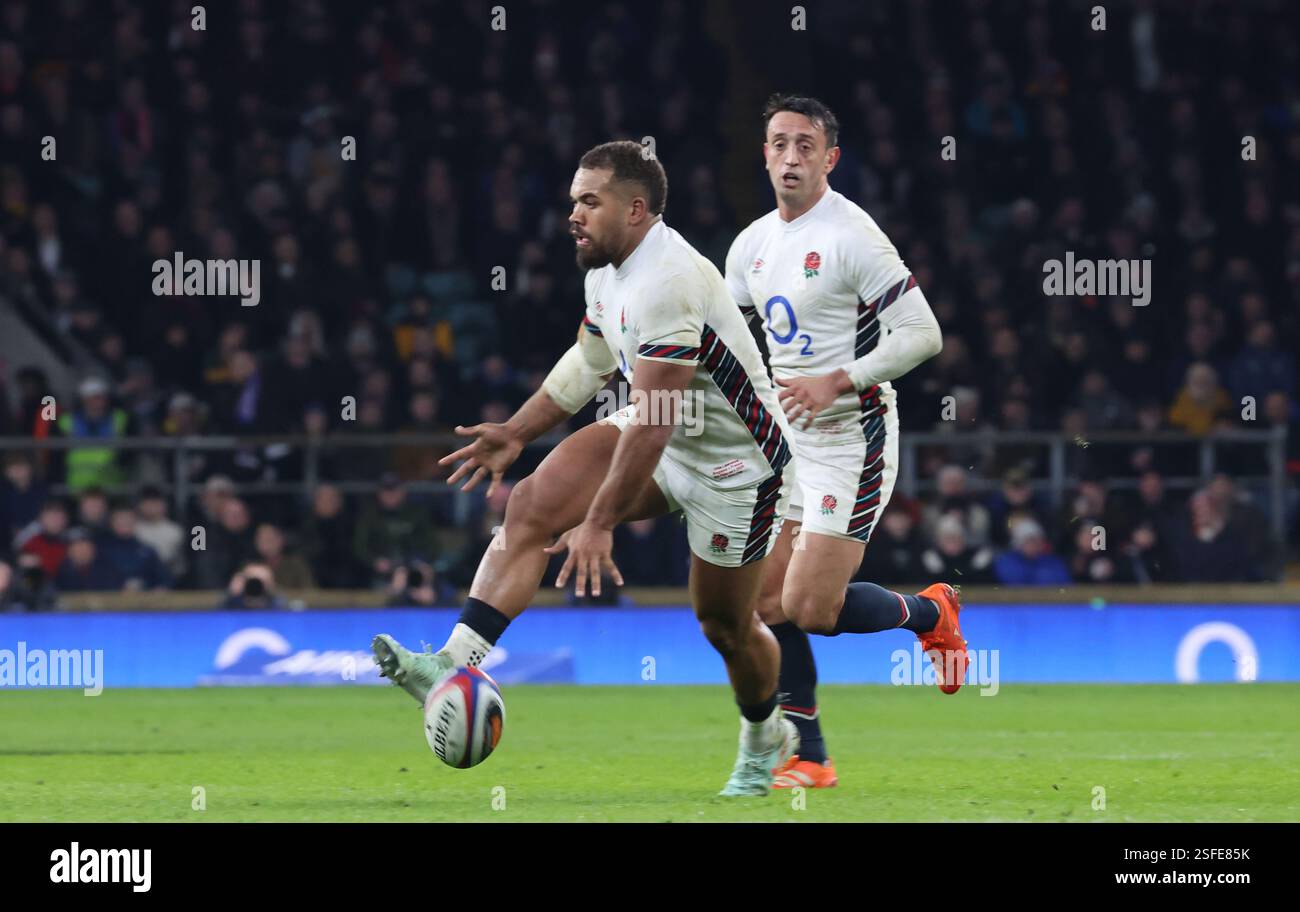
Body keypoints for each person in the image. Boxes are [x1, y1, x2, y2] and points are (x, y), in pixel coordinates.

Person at [372, 141, 799, 796]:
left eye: (588, 201)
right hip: (665, 429)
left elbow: (654, 418)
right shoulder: (605, 269)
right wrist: (516, 431)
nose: (572, 213)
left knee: (727, 627)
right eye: (573, 199)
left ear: (634, 210)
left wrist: (600, 523)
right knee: (534, 503)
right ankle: (451, 663)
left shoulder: (668, 280)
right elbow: (590, 363)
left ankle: (766, 735)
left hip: (736, 465)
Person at [724, 94, 966, 788]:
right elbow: (736, 350)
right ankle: (811, 757)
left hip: (852, 439)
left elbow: (924, 334)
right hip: (790, 445)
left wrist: (838, 379)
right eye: (778, 143)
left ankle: (930, 611)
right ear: (764, 153)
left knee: (808, 609)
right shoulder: (750, 246)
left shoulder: (853, 235)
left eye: (806, 145)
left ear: (830, 158)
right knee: (766, 605)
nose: (790, 156)